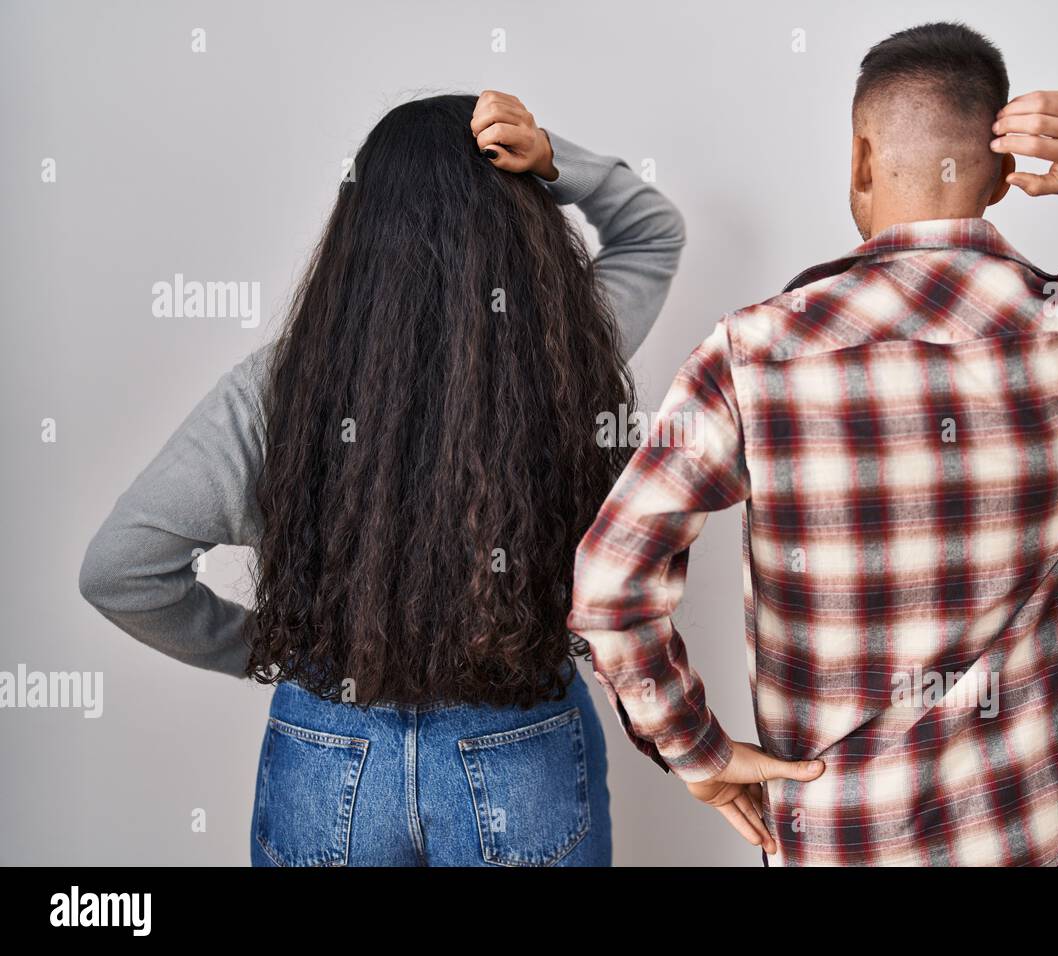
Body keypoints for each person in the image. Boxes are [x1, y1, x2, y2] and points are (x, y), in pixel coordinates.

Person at [567, 22, 1058, 866]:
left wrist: (695, 749)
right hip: (1033, 824)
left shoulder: (754, 355)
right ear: (999, 179)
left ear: (861, 161)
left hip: (842, 835)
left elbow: (610, 586)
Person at [78, 91, 686, 866]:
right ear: (521, 227)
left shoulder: (274, 391)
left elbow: (119, 569)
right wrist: (549, 156)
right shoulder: (565, 351)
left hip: (328, 747)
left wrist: (273, 652)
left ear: (357, 228)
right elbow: (654, 231)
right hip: (518, 745)